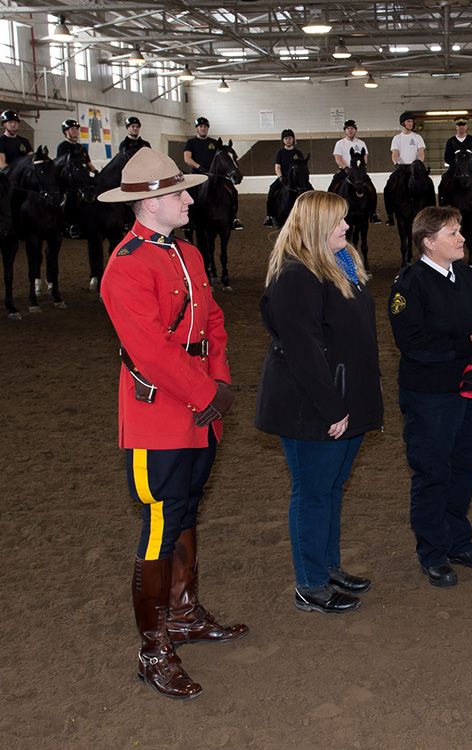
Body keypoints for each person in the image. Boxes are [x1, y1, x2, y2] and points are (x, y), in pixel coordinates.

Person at [97, 147, 248, 701]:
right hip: (160, 413)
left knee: (186, 510)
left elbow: (212, 321)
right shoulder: (127, 266)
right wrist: (208, 392)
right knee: (159, 525)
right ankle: (152, 647)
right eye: (179, 193)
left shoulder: (187, 252)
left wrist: (221, 380)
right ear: (149, 203)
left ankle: (183, 614)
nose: (189, 199)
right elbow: (152, 352)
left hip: (201, 411)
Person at [255, 191, 383, 614]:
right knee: (312, 492)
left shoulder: (339, 265)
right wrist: (333, 409)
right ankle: (310, 583)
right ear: (314, 228)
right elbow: (304, 350)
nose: (347, 228)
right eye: (338, 222)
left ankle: (328, 568)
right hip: (313, 406)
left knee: (329, 489)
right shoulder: (296, 276)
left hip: (342, 401)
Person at [388, 206, 472, 588]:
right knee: (433, 472)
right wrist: (463, 344)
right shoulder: (409, 284)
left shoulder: (464, 275)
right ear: (429, 242)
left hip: (470, 390)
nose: (462, 238)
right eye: (453, 233)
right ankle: (432, 552)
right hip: (430, 397)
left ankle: (457, 541)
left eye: (460, 231)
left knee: (465, 467)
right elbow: (412, 344)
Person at [184, 116, 242, 230]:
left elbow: (222, 158)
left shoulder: (214, 143)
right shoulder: (191, 142)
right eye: (201, 126)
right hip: (197, 175)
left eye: (205, 127)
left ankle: (233, 218)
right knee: (189, 193)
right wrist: (199, 166)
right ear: (197, 129)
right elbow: (187, 159)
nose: (203, 129)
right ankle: (188, 220)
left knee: (232, 190)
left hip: (214, 175)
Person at [441, 116, 472, 221]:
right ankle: (442, 207)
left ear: (466, 127)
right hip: (454, 169)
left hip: (470, 168)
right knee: (443, 181)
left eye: (463, 125)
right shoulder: (451, 141)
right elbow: (447, 157)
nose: (461, 127)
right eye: (459, 125)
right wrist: (456, 164)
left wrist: (468, 164)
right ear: (456, 127)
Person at [384, 112, 427, 226]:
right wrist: (396, 163)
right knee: (388, 187)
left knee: (428, 184)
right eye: (408, 121)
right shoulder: (397, 138)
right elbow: (395, 153)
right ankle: (390, 215)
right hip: (402, 167)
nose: (411, 123)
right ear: (403, 123)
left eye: (412, 121)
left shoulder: (417, 137)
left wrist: (419, 162)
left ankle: (429, 210)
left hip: (415, 167)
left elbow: (421, 152)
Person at [264, 128, 310, 227]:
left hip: (297, 179)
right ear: (283, 140)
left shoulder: (298, 153)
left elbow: (302, 167)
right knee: (272, 189)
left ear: (293, 139)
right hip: (284, 178)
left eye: (289, 138)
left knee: (311, 190)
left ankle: (312, 213)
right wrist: (280, 177)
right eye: (286, 138)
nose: (288, 140)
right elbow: (277, 166)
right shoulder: (280, 153)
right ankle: (269, 216)